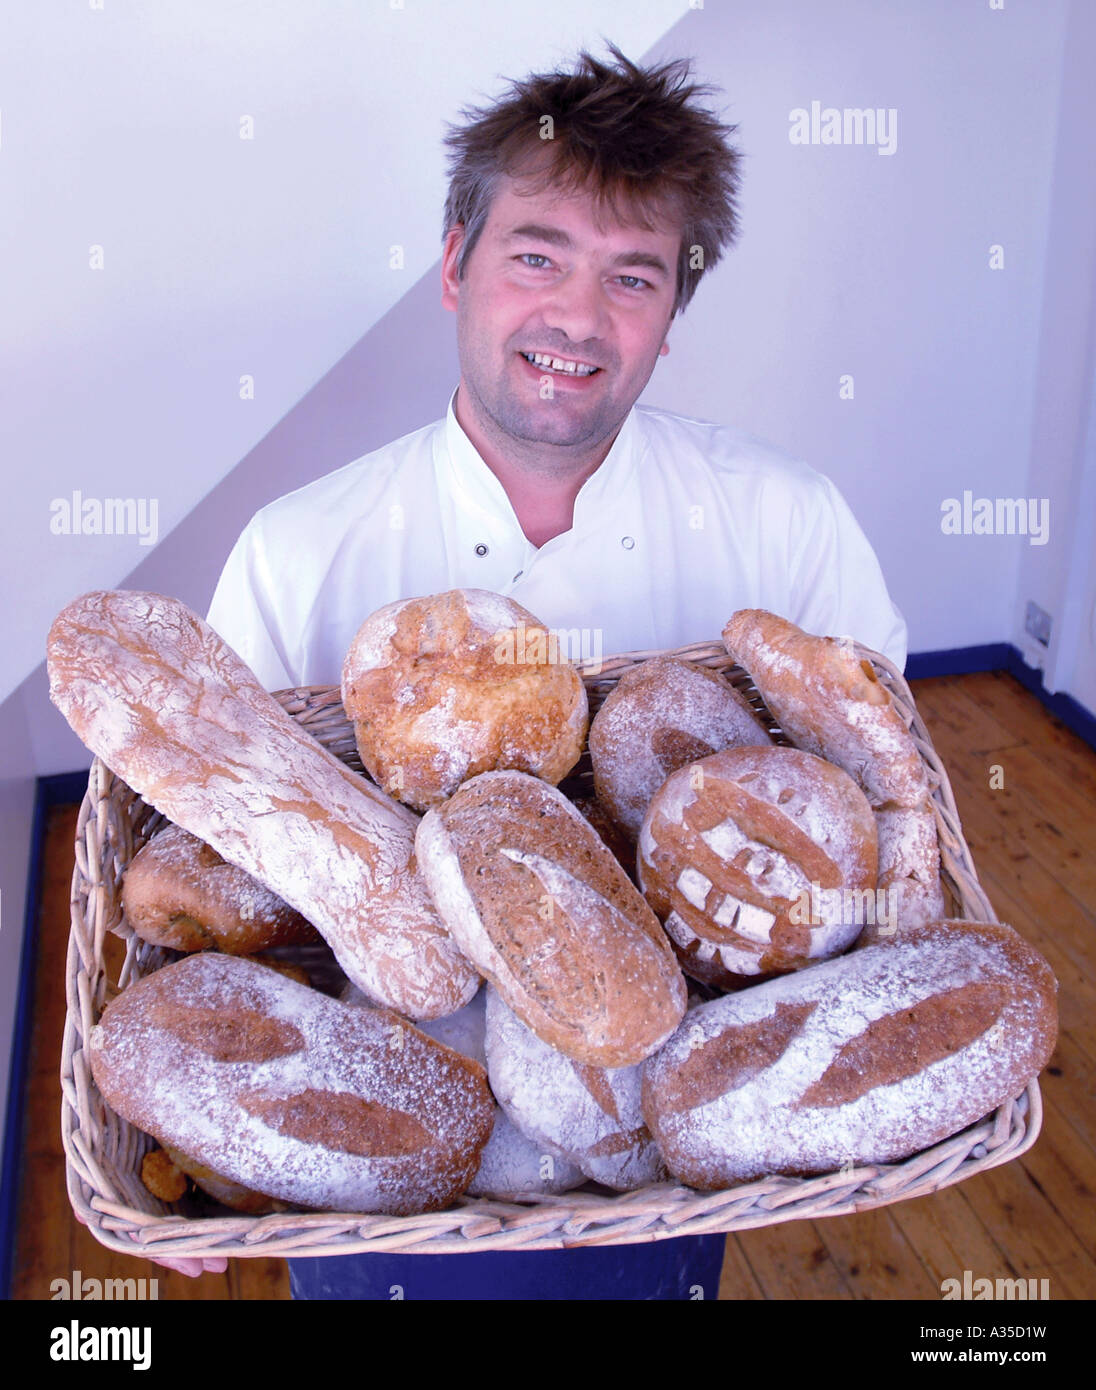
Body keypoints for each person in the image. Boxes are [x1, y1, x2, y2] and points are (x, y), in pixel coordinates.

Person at [197, 42, 906, 1299]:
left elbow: (885, 810)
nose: (580, 318)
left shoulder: (787, 527)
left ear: (673, 311)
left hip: (657, 1174)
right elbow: (224, 860)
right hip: (381, 1192)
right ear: (456, 262)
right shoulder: (298, 552)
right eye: (537, 255)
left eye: (633, 276)